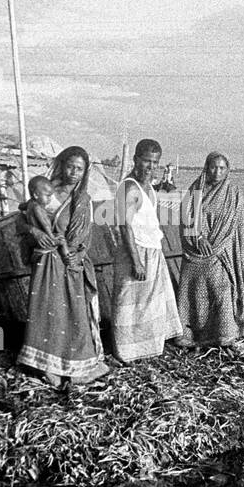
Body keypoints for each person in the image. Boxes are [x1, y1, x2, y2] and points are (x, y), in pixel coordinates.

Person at [16, 147, 110, 387]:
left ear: (86, 171)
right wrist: (33, 231)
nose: (73, 172)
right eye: (70, 166)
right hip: (45, 260)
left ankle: (73, 364)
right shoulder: (46, 190)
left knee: (70, 314)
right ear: (62, 164)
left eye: (80, 168)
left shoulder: (81, 200)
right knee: (45, 312)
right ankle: (46, 366)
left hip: (67, 263)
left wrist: (73, 256)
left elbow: (81, 238)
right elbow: (21, 216)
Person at [110, 138, 183, 363]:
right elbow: (125, 226)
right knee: (128, 303)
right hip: (135, 251)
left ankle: (144, 348)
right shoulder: (130, 187)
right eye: (146, 161)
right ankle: (124, 351)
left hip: (151, 249)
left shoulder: (147, 186)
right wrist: (136, 261)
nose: (151, 167)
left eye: (155, 163)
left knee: (148, 303)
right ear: (135, 160)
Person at [176, 151, 244, 347]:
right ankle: (189, 335)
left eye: (222, 168)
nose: (217, 172)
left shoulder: (233, 194)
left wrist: (230, 248)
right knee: (191, 292)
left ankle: (224, 335)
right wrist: (197, 238)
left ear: (228, 170)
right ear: (206, 167)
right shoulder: (196, 190)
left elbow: (242, 227)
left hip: (221, 255)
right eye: (213, 167)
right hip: (195, 253)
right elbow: (185, 216)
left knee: (221, 292)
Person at [20, 175, 67, 262]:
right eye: (48, 196)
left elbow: (21, 206)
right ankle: (68, 260)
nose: (50, 199)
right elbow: (45, 224)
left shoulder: (31, 203)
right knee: (62, 240)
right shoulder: (38, 208)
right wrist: (52, 237)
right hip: (43, 240)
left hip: (34, 239)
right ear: (36, 195)